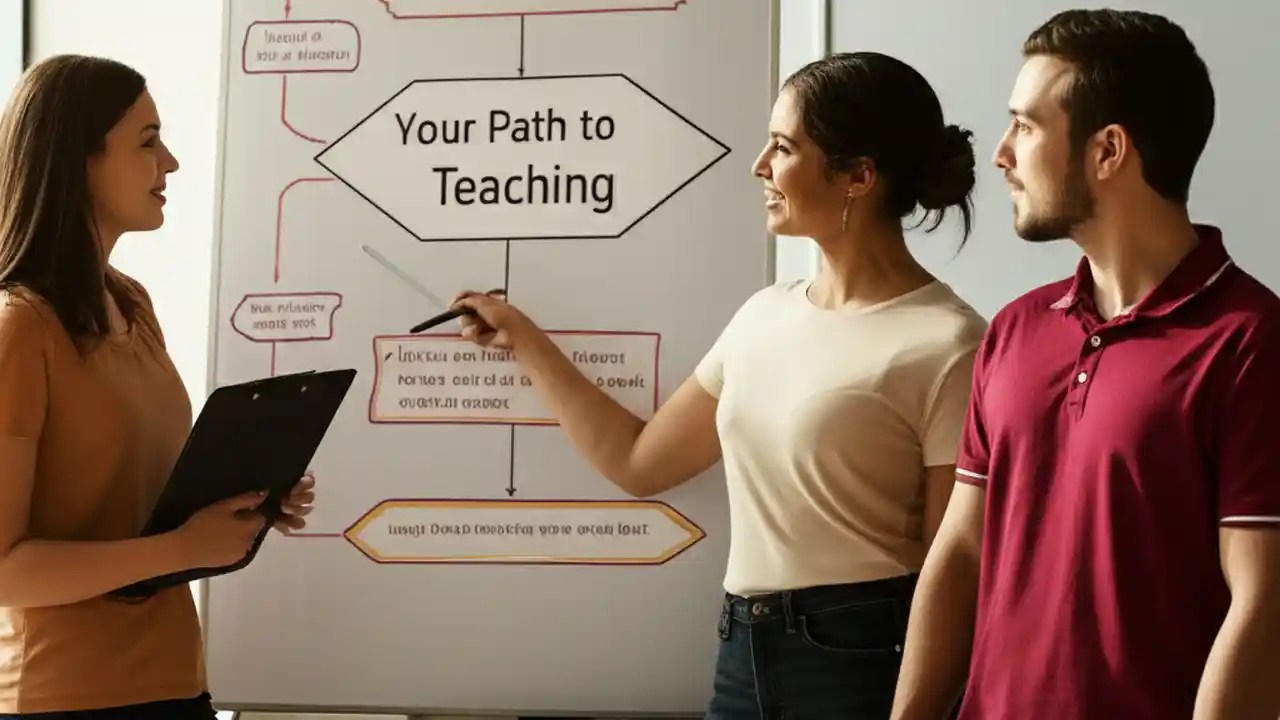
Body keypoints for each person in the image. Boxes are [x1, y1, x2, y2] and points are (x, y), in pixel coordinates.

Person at [453, 52, 988, 718]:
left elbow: (954, 575)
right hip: (740, 653)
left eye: (783, 147)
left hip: (863, 660)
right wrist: (525, 339)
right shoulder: (763, 314)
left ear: (858, 176)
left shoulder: (951, 343)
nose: (759, 165)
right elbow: (640, 462)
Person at [890, 10, 1280, 720]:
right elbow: (962, 553)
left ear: (1108, 150)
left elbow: (1263, 604)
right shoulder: (1014, 329)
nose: (1001, 153)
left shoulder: (1250, 340)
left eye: (1025, 126)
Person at [0, 55, 316, 717]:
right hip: (63, 698)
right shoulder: (19, 329)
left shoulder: (133, 304)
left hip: (174, 681)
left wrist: (247, 496)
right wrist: (179, 549)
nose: (169, 162)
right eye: (148, 143)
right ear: (77, 162)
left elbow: (135, 505)